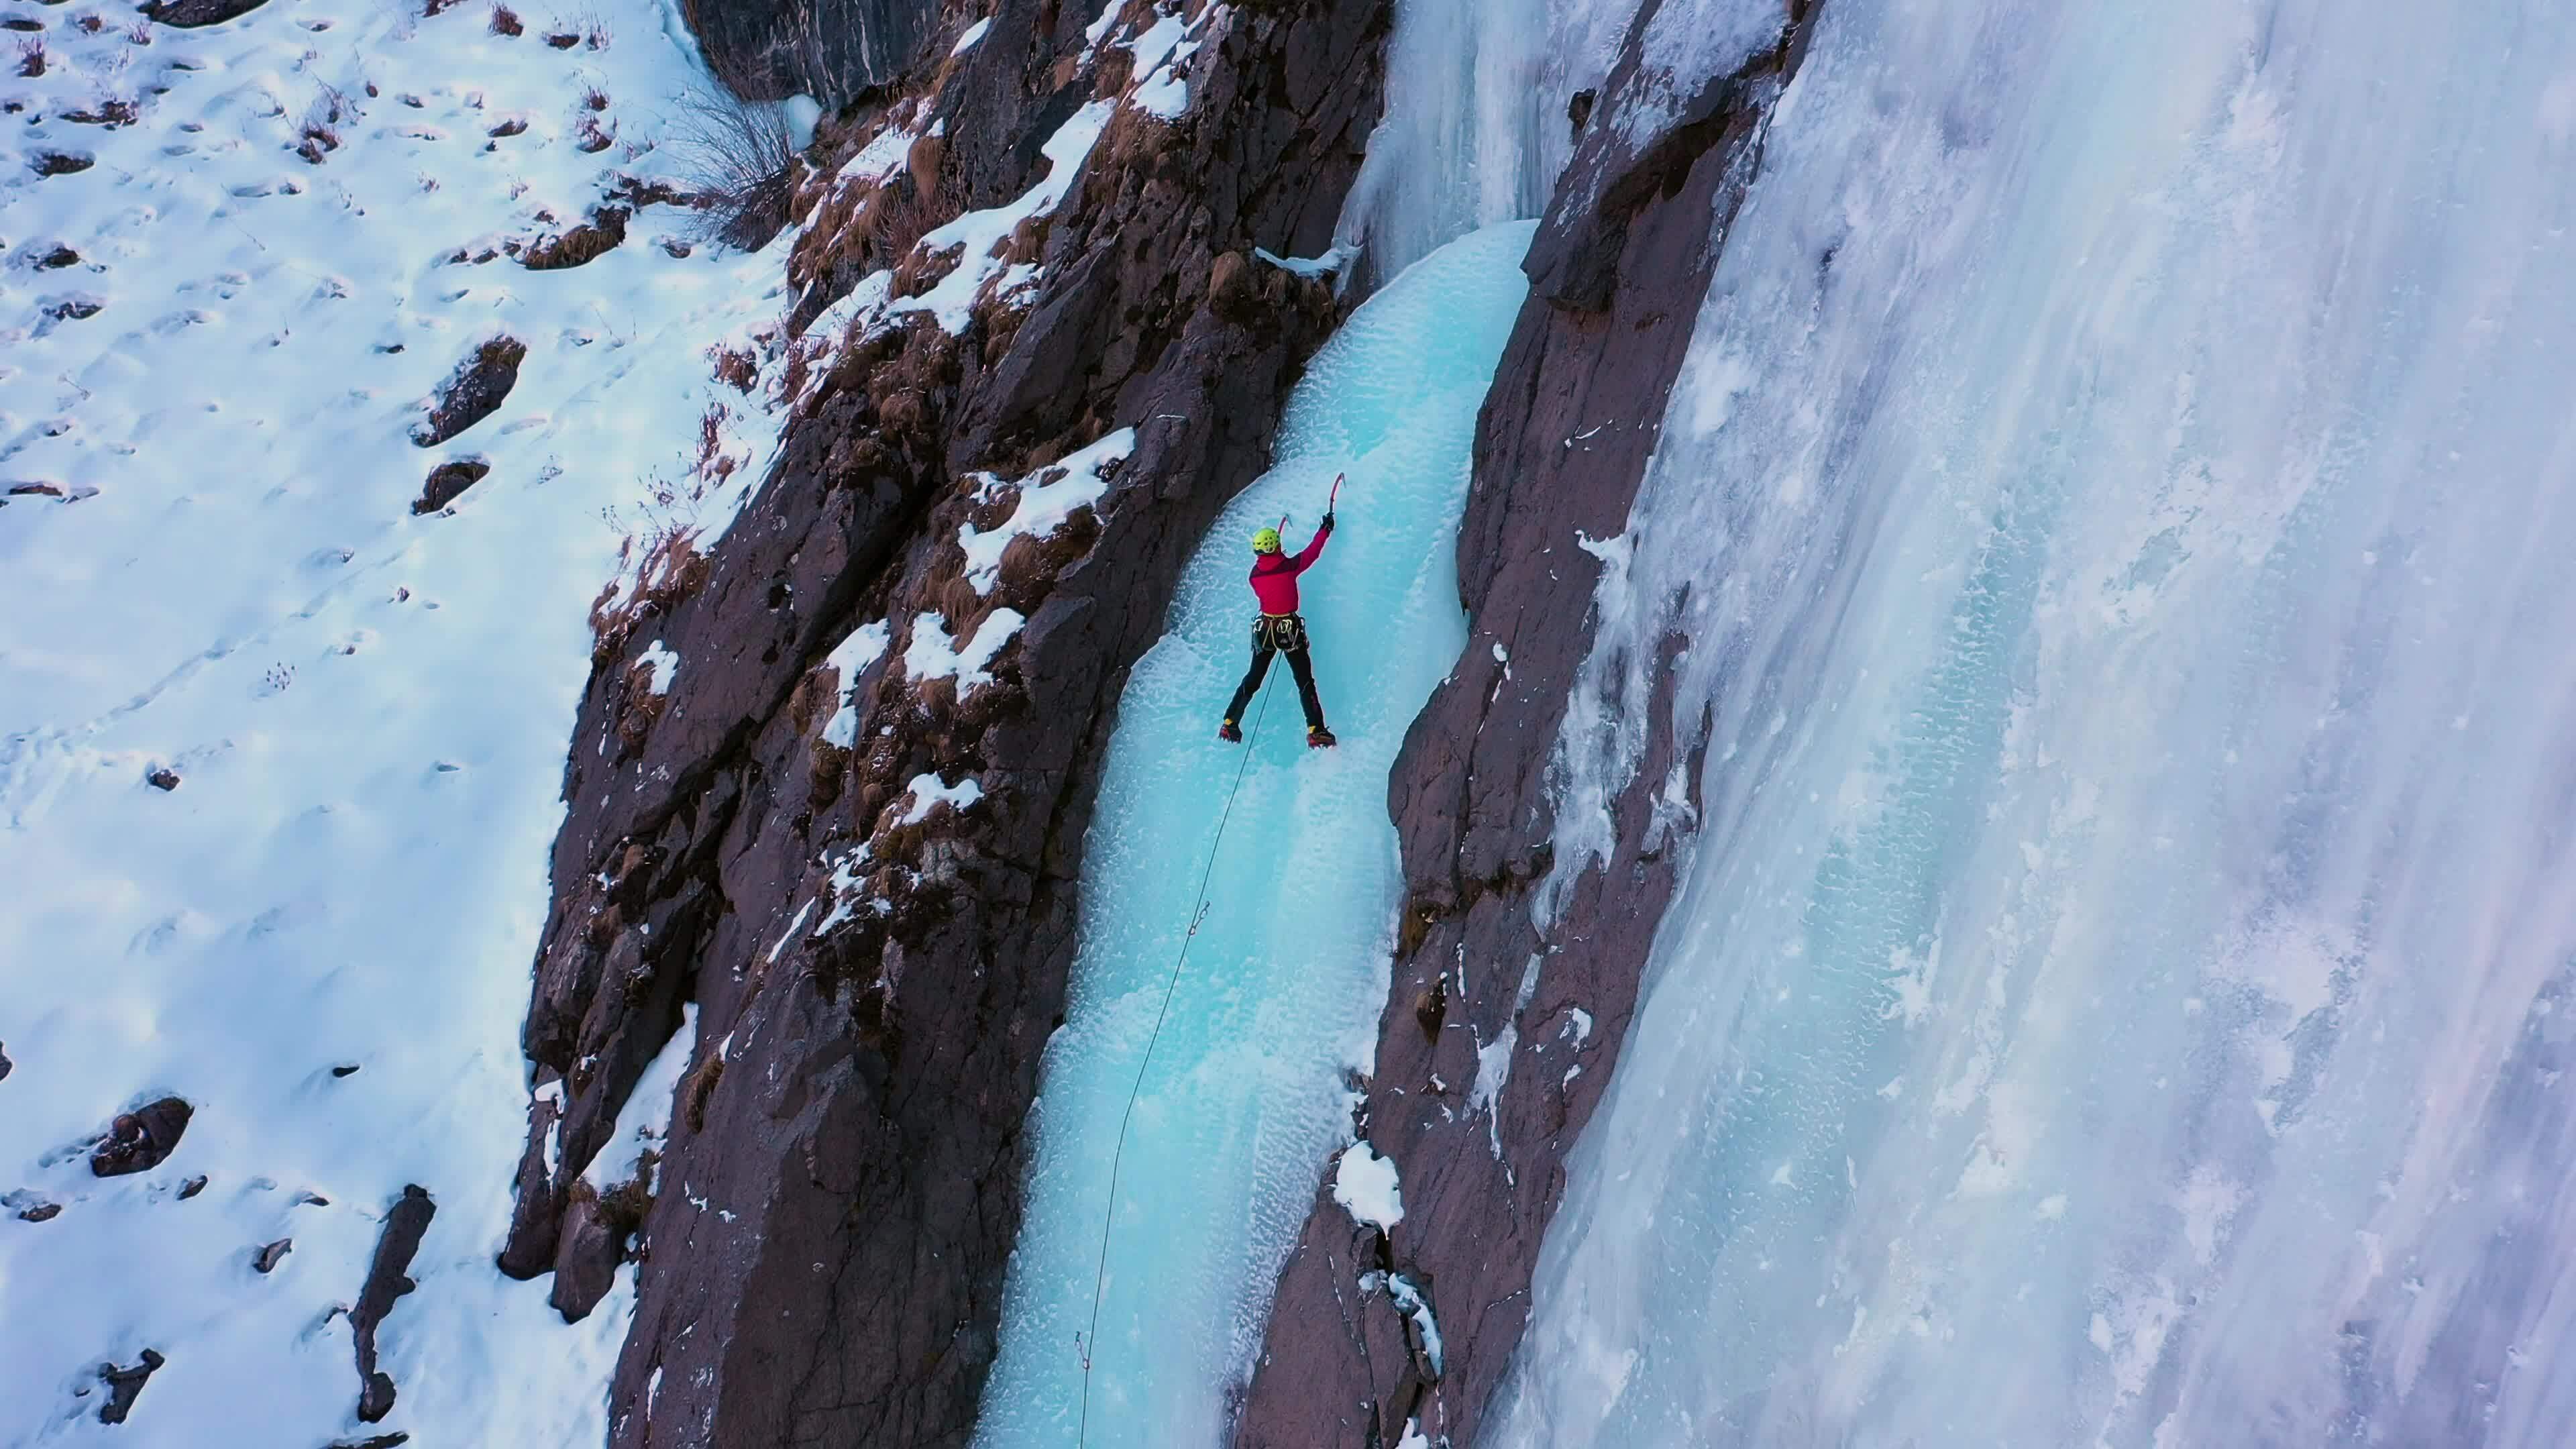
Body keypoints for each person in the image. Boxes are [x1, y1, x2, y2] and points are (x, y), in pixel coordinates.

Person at [1219, 485, 1339, 748]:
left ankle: (1230, 722)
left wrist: (1273, 557)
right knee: (1304, 681)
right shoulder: (1289, 568)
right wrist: (1325, 528)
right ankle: (1316, 728)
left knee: (1253, 678)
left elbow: (1267, 571)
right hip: (1288, 630)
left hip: (1264, 630)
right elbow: (1311, 553)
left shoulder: (1255, 576)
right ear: (1277, 546)